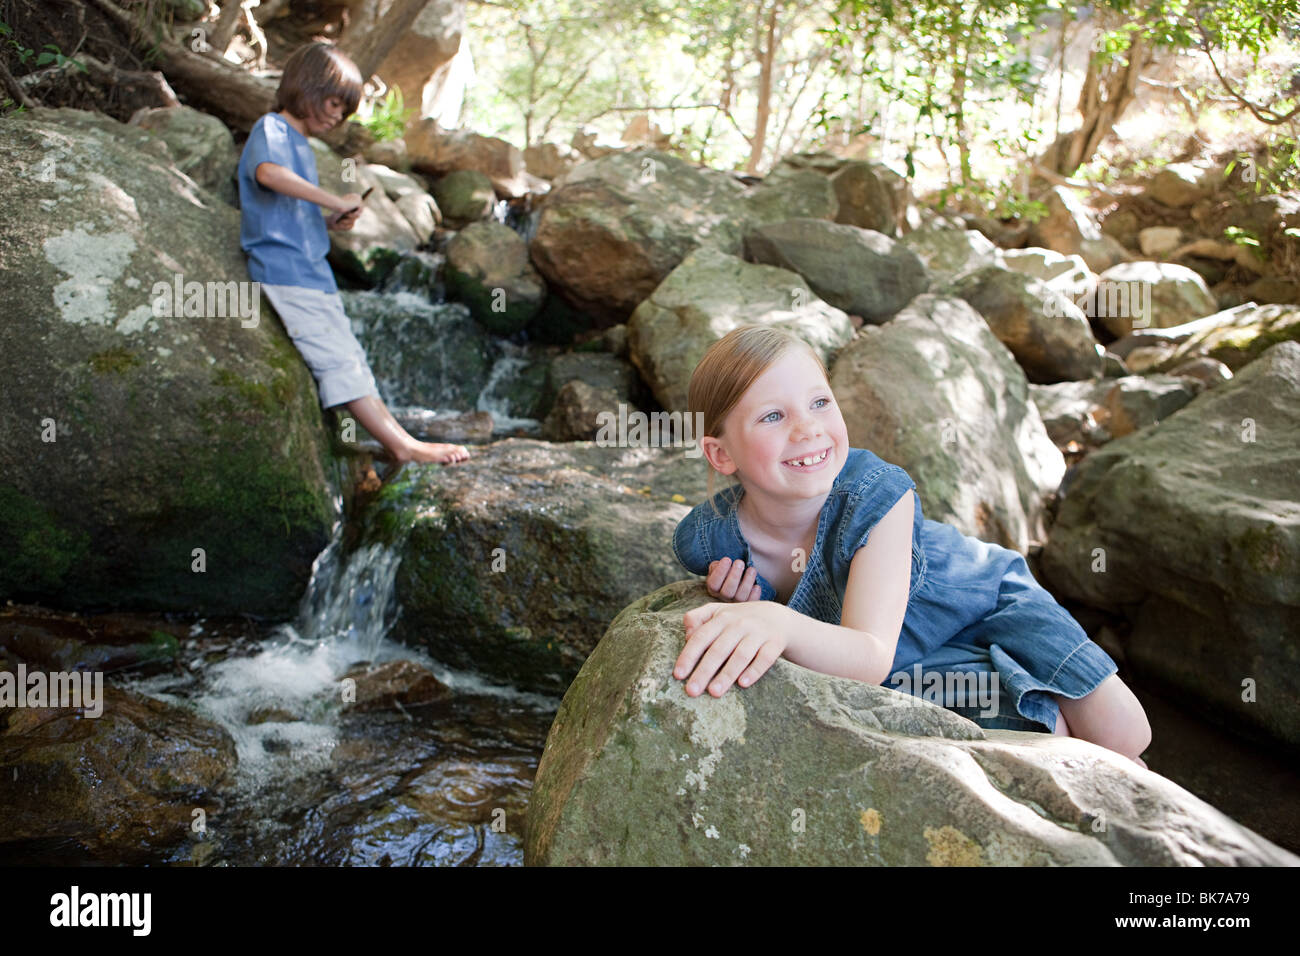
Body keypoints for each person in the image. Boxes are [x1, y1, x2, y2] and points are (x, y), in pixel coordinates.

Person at [670, 324, 1152, 769]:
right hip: (909, 649)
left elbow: (871, 654)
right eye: (773, 415)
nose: (807, 429)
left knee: (1124, 735)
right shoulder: (709, 540)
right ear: (722, 454)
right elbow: (868, 662)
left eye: (820, 403)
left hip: (982, 601)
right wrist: (746, 599)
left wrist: (775, 619)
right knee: (1049, 737)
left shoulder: (878, 494)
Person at [236, 41, 469, 466]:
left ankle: (395, 438)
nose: (336, 115)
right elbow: (267, 174)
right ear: (305, 86)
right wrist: (330, 198)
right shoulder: (272, 128)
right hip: (286, 270)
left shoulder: (301, 145)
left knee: (349, 356)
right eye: (332, 102)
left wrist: (327, 221)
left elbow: (285, 212)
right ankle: (403, 446)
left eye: (344, 111)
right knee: (337, 358)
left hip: (309, 271)